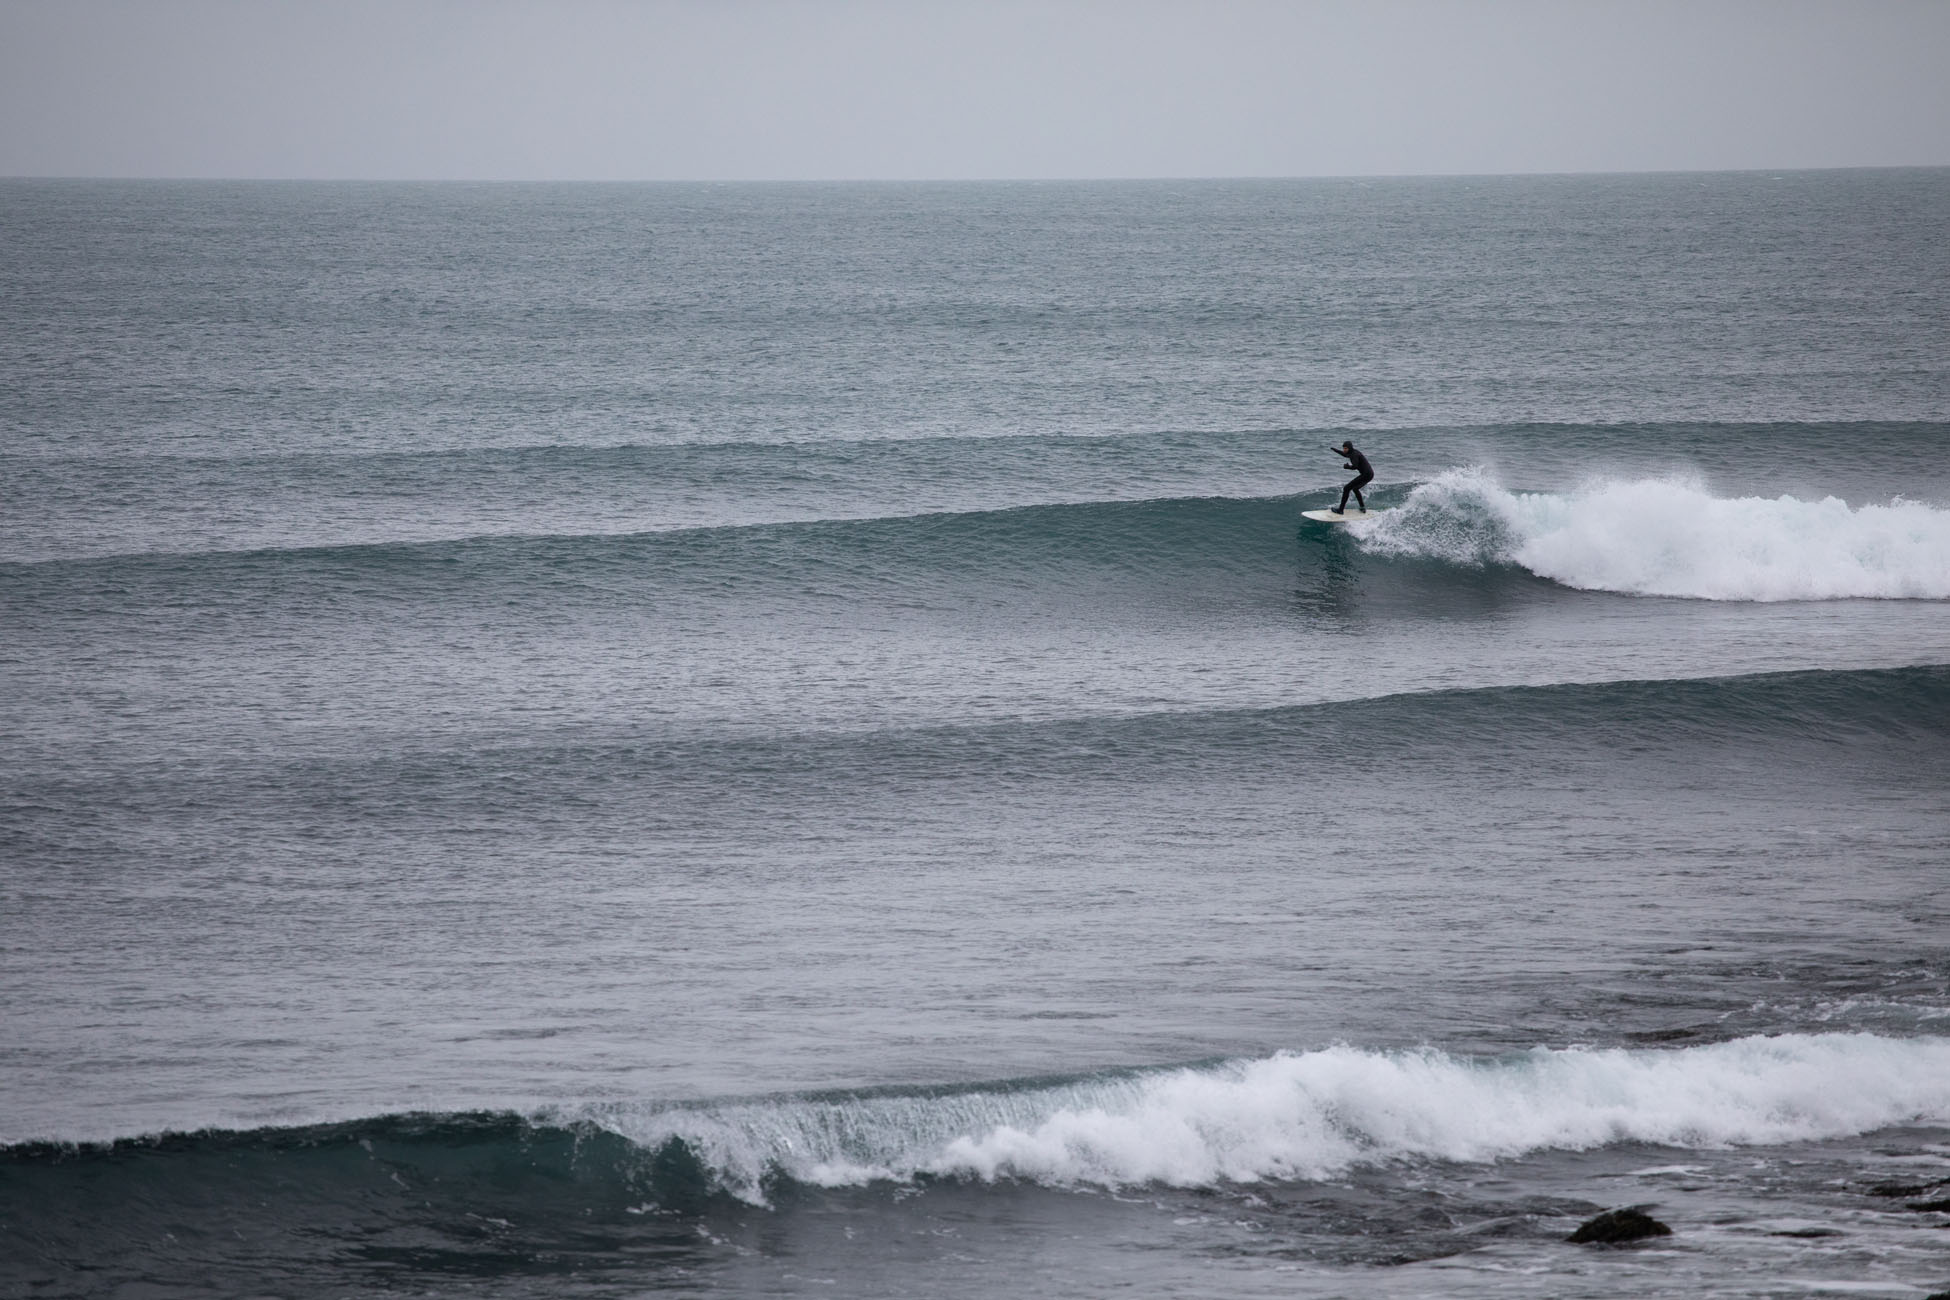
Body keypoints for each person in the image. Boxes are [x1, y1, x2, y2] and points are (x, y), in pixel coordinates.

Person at [1329, 440, 1373, 513]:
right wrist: (1335, 450)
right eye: (1343, 448)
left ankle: (1340, 510)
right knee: (1355, 489)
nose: (1344, 450)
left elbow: (1355, 466)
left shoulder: (1354, 455)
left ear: (1349, 448)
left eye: (1346, 448)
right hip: (1369, 474)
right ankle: (1362, 507)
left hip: (1366, 475)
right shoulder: (1352, 452)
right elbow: (1344, 454)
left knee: (1346, 488)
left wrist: (1347, 467)